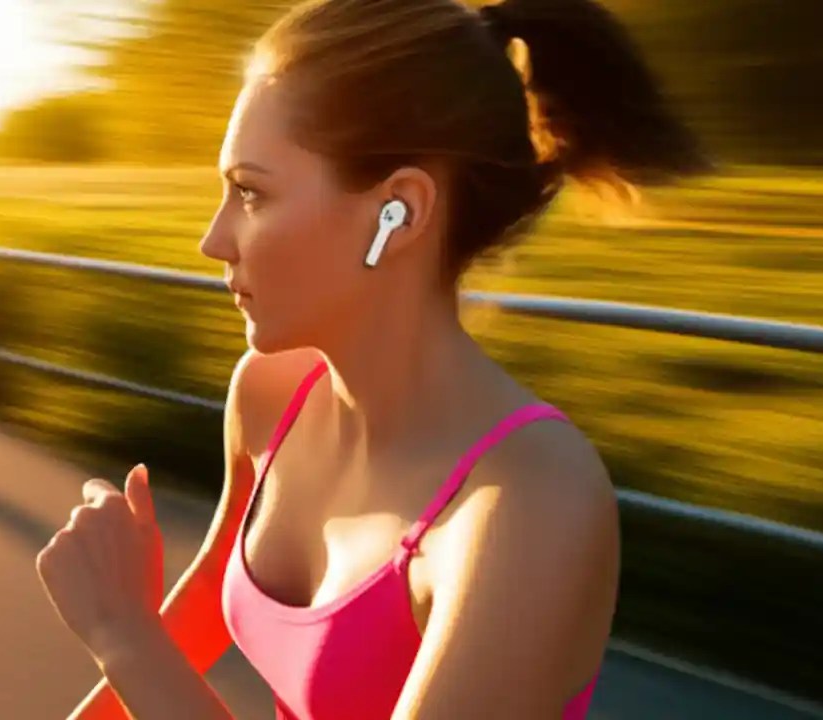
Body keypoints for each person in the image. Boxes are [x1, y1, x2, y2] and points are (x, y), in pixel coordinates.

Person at [35, 0, 709, 717]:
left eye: (251, 193)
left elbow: (150, 655)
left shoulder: (533, 504)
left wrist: (123, 634)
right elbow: (207, 603)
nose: (213, 239)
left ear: (399, 215)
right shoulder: (270, 398)